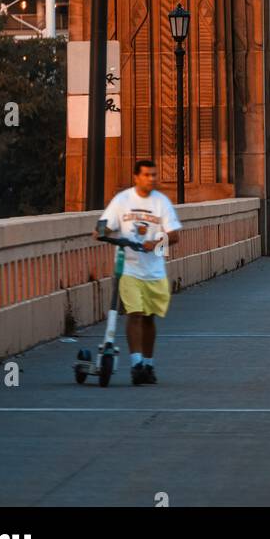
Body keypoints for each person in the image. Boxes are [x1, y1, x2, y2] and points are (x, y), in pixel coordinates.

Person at [93, 158, 181, 385]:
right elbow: (106, 224)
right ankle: (136, 364)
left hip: (154, 270)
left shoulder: (161, 202)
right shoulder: (122, 200)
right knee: (135, 314)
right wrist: (101, 231)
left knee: (150, 319)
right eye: (147, 175)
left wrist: (156, 243)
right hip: (129, 267)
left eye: (154, 175)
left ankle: (149, 365)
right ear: (136, 177)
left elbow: (174, 237)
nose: (151, 179)